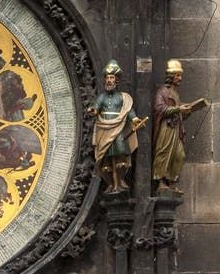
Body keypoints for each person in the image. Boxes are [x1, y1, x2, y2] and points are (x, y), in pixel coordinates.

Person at [87, 60, 144, 193]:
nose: (109, 80)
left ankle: (121, 180)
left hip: (118, 129)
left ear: (116, 80)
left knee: (121, 155)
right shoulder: (102, 97)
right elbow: (96, 107)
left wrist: (135, 119)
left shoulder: (122, 97)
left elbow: (128, 110)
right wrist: (93, 111)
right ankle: (110, 183)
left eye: (112, 78)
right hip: (104, 128)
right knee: (105, 159)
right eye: (107, 78)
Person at [153, 59, 208, 193]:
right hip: (166, 128)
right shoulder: (163, 92)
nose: (180, 78)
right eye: (177, 75)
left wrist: (188, 111)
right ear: (171, 76)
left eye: (180, 75)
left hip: (176, 129)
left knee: (180, 155)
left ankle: (171, 181)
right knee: (164, 153)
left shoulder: (176, 94)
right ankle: (160, 181)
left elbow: (179, 112)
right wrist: (178, 109)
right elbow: (159, 109)